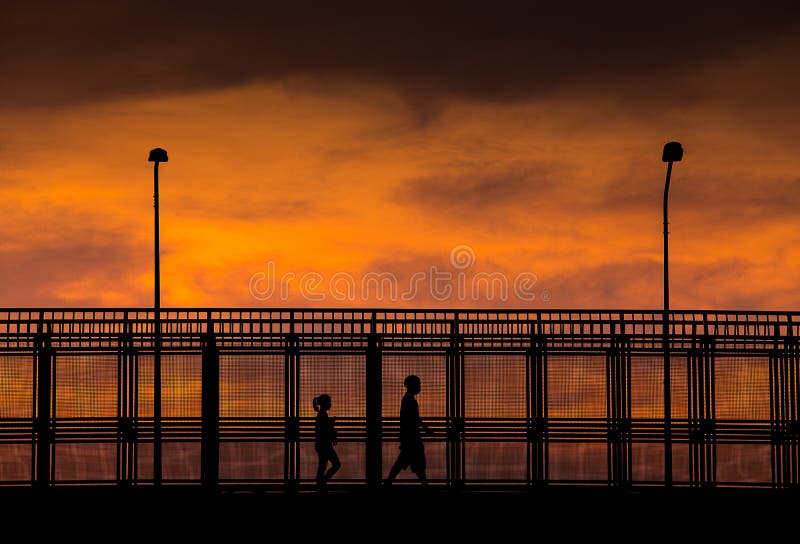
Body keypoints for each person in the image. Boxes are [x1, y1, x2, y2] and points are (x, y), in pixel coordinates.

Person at [385, 375, 432, 485]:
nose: (420, 386)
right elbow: (414, 419)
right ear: (413, 386)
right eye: (418, 384)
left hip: (409, 438)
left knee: (403, 462)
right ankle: (425, 485)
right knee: (416, 463)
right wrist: (425, 429)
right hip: (412, 438)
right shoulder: (410, 400)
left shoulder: (407, 399)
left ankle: (388, 483)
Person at [313, 394, 341, 488]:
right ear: (325, 403)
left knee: (322, 466)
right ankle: (322, 483)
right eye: (329, 402)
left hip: (321, 444)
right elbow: (325, 430)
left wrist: (330, 424)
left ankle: (320, 484)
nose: (330, 404)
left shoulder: (321, 414)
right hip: (325, 445)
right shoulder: (323, 414)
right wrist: (331, 425)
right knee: (336, 464)